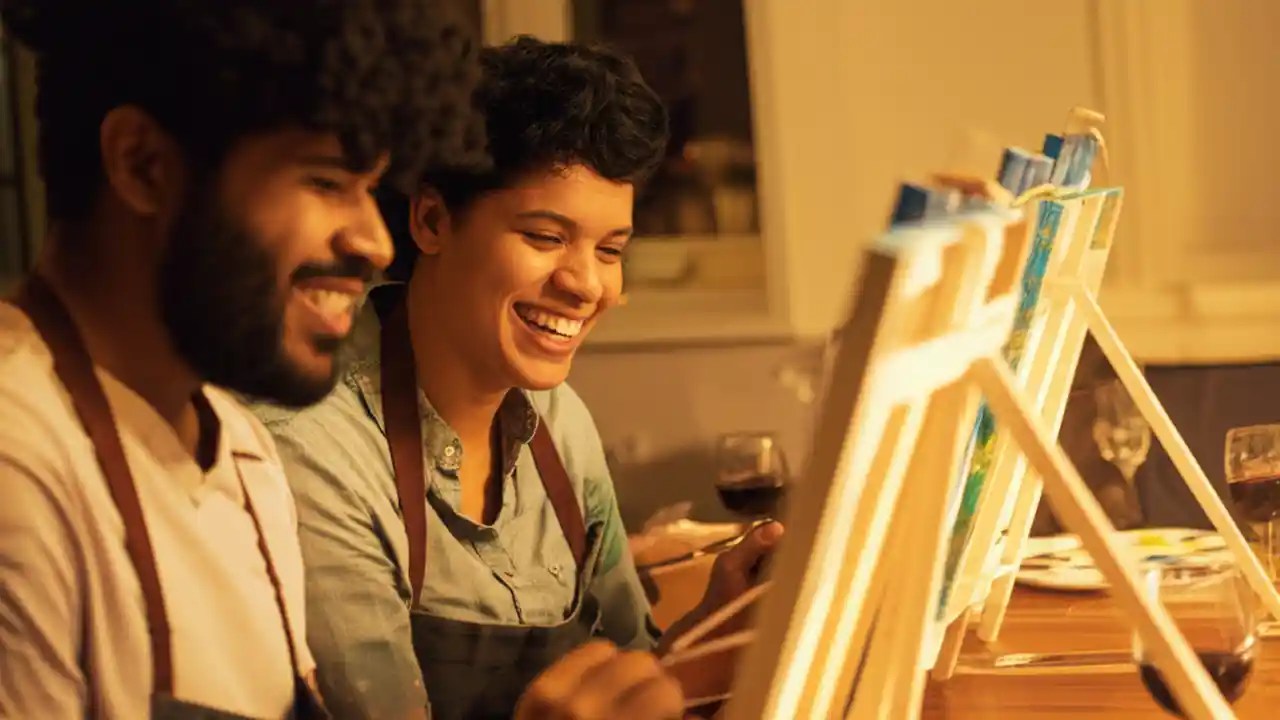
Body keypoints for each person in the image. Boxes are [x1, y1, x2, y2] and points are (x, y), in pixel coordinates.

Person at [0, 4, 681, 719]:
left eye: (368, 188)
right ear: (143, 165)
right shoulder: (21, 466)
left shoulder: (239, 456)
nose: (374, 243)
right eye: (326, 182)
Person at [257, 36, 781, 720]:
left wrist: (717, 623)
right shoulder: (314, 449)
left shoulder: (560, 423)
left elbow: (630, 672)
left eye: (610, 249)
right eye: (544, 237)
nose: (585, 284)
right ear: (432, 219)